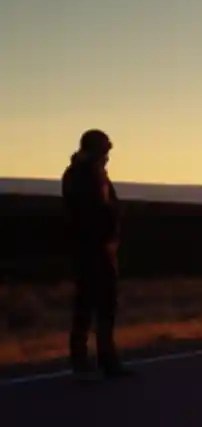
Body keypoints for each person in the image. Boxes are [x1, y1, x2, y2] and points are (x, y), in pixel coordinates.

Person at [62, 129, 133, 379]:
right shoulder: (82, 176)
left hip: (102, 249)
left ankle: (107, 359)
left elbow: (107, 208)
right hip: (90, 249)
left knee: (105, 306)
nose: (107, 157)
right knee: (87, 305)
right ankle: (82, 363)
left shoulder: (94, 174)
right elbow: (91, 212)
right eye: (105, 151)